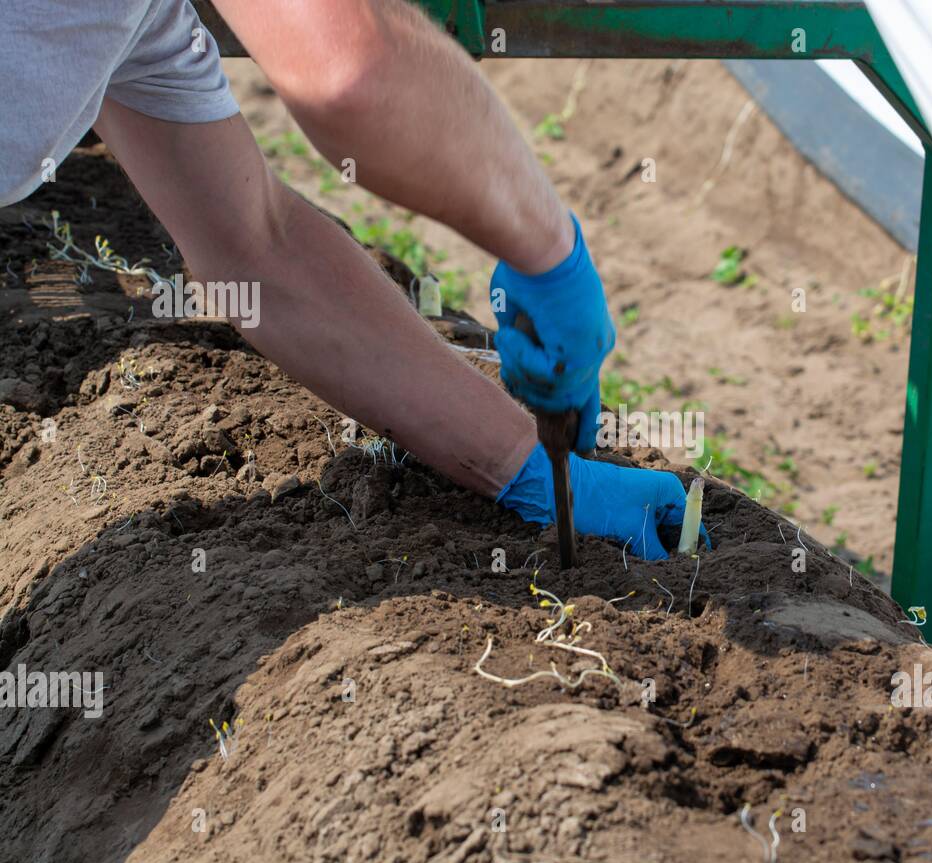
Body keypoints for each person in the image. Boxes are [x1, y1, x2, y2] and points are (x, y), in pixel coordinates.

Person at [2, 0, 698, 559]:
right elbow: (352, 69)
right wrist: (547, 250)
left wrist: (523, 464)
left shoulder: (130, 20)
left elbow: (261, 251)